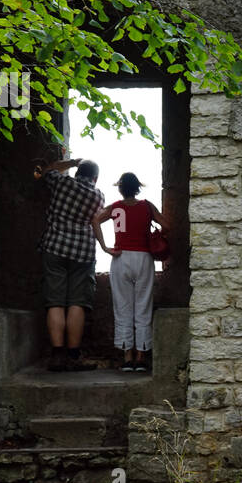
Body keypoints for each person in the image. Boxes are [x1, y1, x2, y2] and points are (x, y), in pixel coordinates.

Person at [33, 157, 105, 372]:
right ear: (95, 178)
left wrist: (71, 162)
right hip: (82, 253)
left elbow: (46, 170)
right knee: (77, 303)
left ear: (77, 172)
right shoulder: (98, 195)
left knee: (55, 302)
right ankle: (74, 356)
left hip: (54, 247)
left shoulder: (62, 183)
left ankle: (57, 355)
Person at [93, 172, 164, 372]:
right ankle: (141, 357)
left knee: (122, 308)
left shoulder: (115, 207)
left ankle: (127, 357)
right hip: (143, 258)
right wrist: (156, 235)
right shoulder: (147, 206)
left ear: (121, 189)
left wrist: (105, 247)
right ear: (138, 188)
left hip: (120, 258)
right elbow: (166, 225)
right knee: (143, 307)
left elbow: (95, 220)